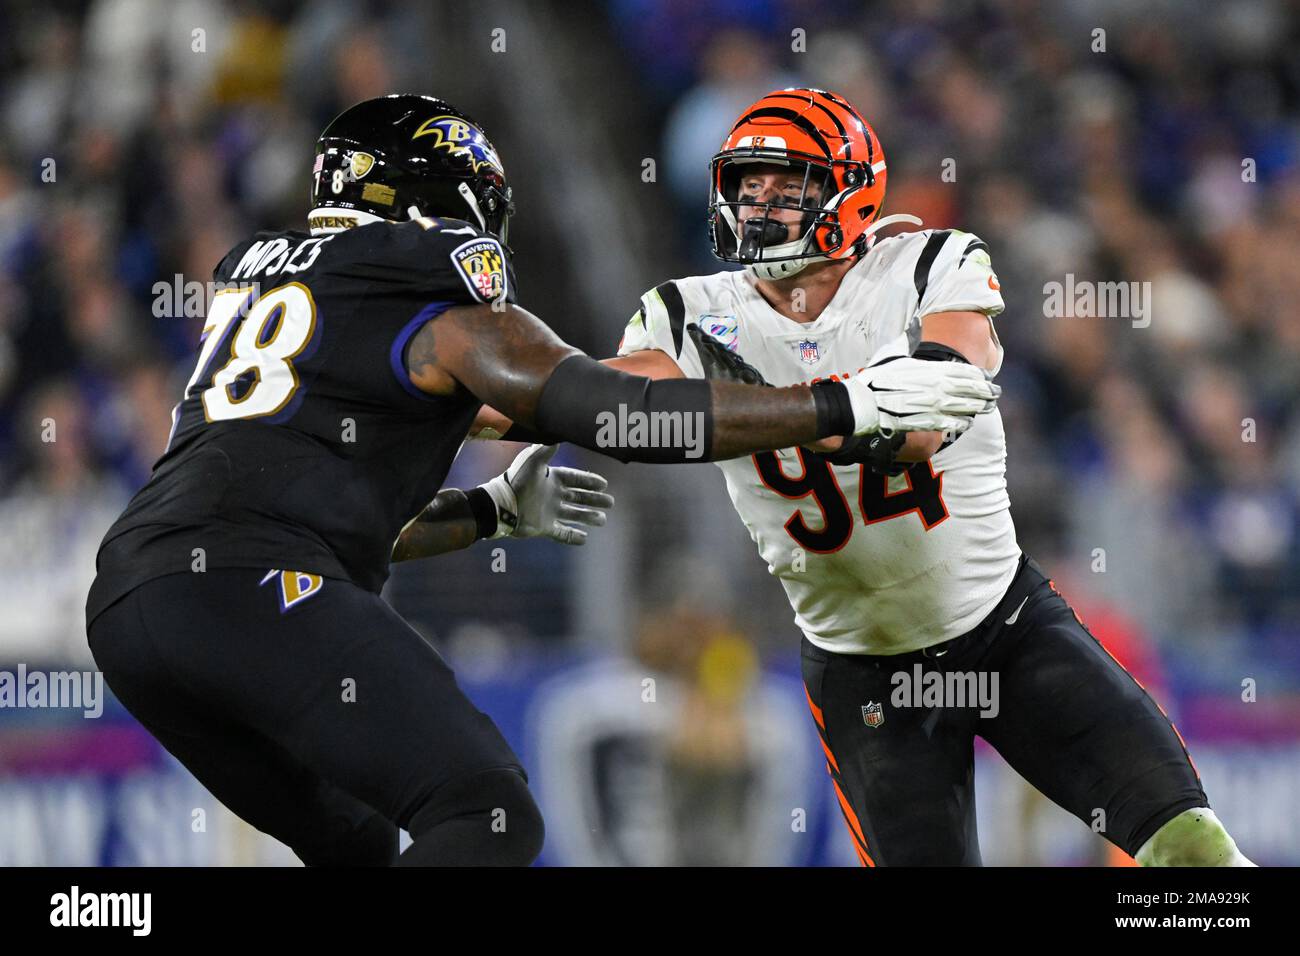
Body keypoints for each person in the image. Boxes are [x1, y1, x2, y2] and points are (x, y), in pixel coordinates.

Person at [84, 94, 997, 866]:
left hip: (133, 604)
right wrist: (840, 408)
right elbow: (617, 415)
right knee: (485, 811)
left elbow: (320, 511)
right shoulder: (425, 283)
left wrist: (484, 513)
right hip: (251, 582)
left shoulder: (277, 291)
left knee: (362, 845)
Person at [477, 87, 1253, 867]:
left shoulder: (927, 265)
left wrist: (831, 407)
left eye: (788, 188)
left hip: (1009, 634)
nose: (761, 207)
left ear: (850, 191)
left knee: (1194, 852)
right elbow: (618, 407)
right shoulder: (690, 312)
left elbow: (927, 416)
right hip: (864, 677)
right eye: (748, 187)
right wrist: (456, 394)